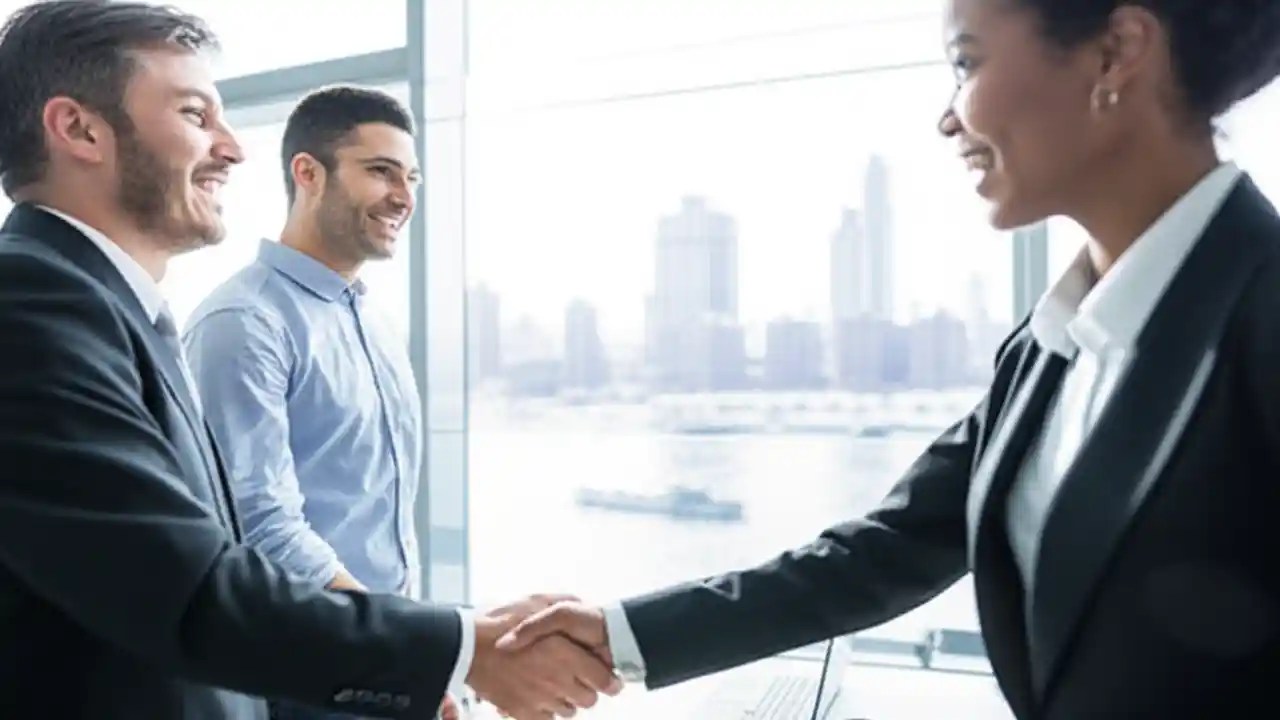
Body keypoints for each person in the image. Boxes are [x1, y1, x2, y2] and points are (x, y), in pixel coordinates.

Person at [496, 1, 1280, 718]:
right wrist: (621, 634)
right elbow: (887, 551)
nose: (948, 118)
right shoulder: (1054, 343)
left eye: (967, 62)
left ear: (1116, 52)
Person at [0, 3, 618, 719]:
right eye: (196, 115)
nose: (233, 148)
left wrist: (430, 660)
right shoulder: (32, 300)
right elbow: (187, 586)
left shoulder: (108, 307)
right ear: (79, 129)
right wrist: (452, 653)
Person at [181, 85, 432, 720]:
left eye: (411, 178)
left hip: (378, 661)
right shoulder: (244, 323)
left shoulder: (374, 321)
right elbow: (261, 528)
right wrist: (404, 651)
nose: (403, 197)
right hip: (306, 676)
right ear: (308, 174)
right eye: (381, 172)